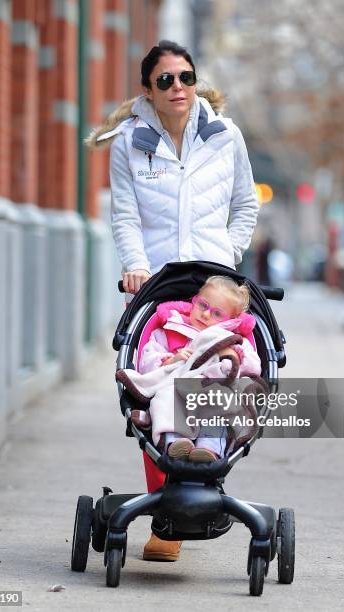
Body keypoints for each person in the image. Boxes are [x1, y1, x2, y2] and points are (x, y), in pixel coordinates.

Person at [87, 40, 259, 561]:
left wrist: (227, 255)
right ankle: (167, 519)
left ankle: (202, 482)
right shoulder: (129, 142)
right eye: (166, 80)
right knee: (155, 383)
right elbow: (125, 216)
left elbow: (245, 204)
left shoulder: (225, 135)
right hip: (155, 286)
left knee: (214, 377)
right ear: (148, 90)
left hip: (213, 285)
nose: (178, 88)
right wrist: (136, 268)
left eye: (185, 77)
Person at [135, 275, 261, 462]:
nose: (206, 314)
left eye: (217, 313)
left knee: (221, 403)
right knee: (167, 396)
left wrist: (232, 355)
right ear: (193, 302)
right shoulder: (169, 330)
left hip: (212, 390)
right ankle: (176, 440)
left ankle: (209, 447)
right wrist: (170, 360)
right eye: (203, 305)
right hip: (178, 389)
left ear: (232, 321)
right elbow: (146, 360)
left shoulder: (233, 339)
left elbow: (253, 368)